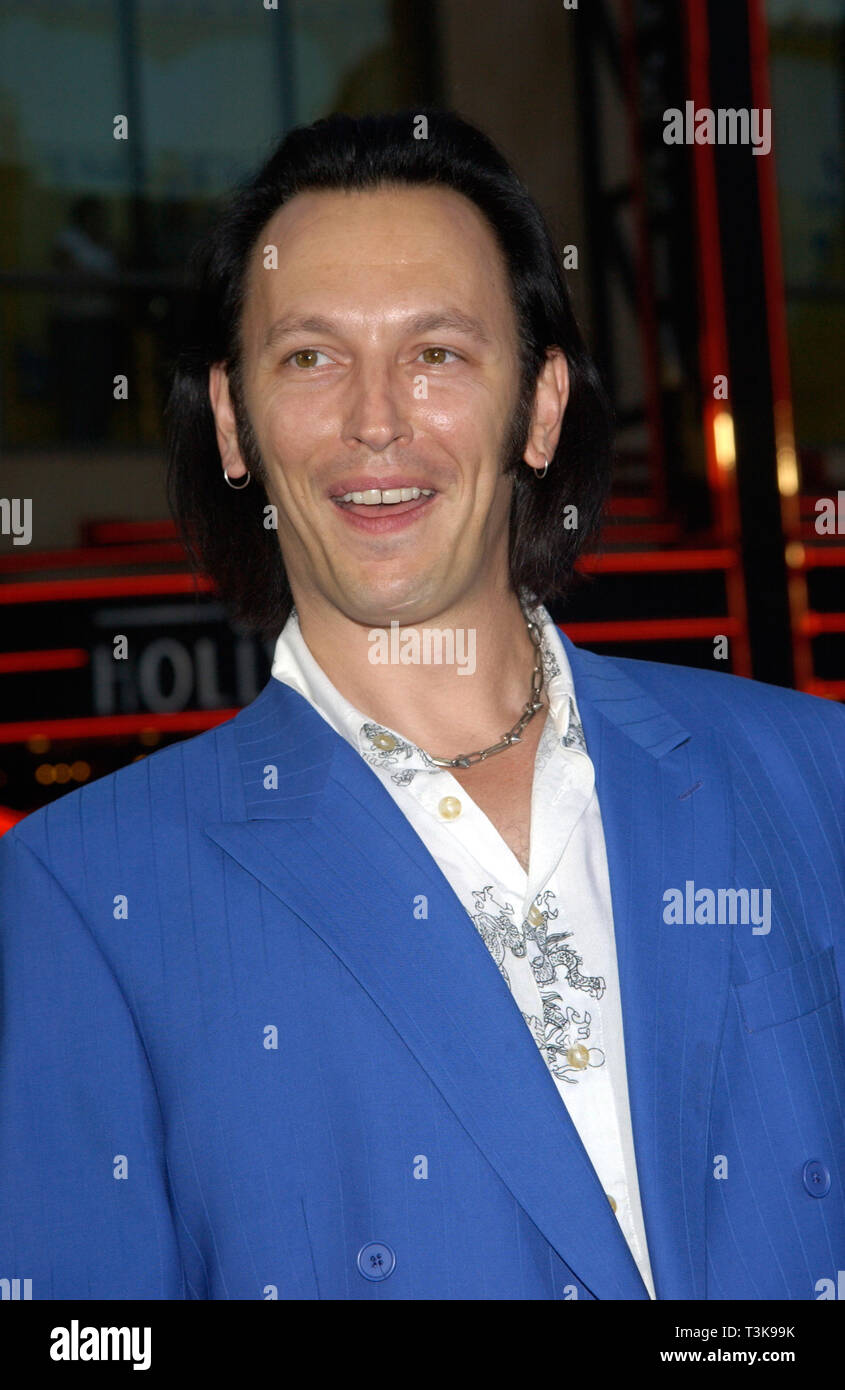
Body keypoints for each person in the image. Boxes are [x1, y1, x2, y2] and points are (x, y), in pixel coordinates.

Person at [1, 109, 843, 1301]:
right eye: (310, 356)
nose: (375, 420)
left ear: (540, 407)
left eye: (437, 352)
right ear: (235, 424)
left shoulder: (816, 775)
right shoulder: (89, 894)